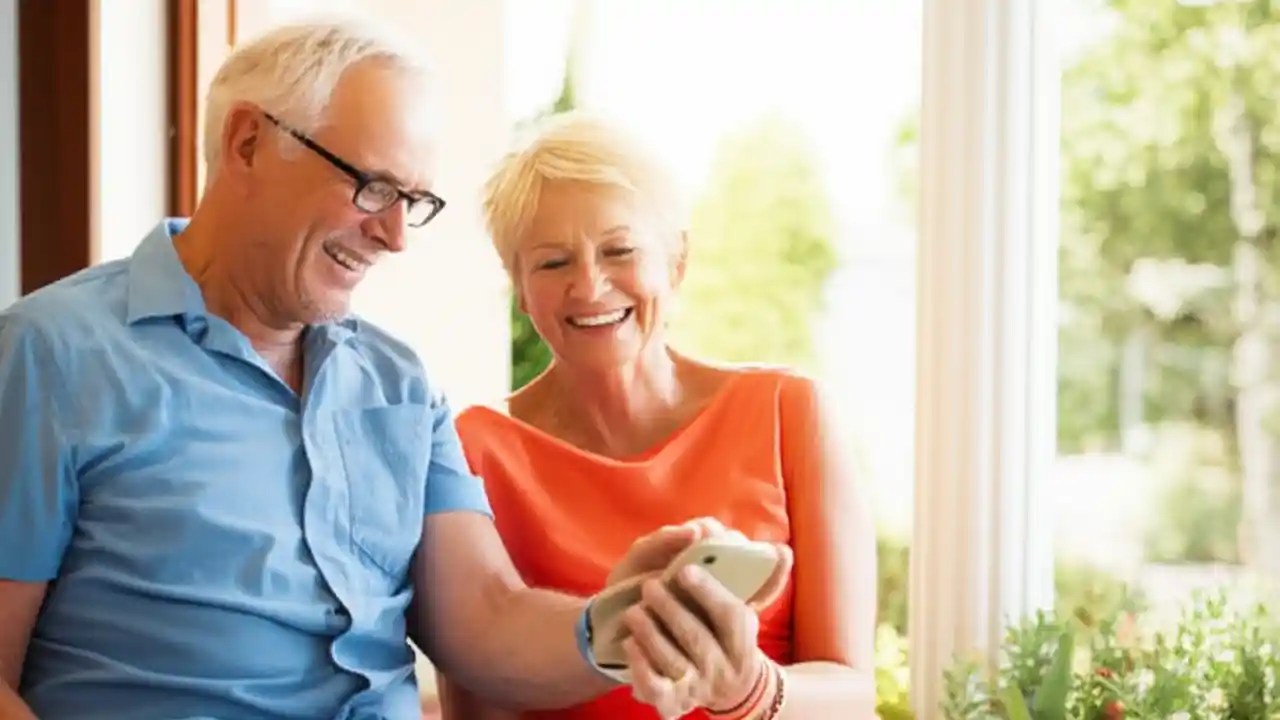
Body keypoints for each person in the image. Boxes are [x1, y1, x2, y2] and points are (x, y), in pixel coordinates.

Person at [0, 19, 786, 720]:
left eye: (412, 200)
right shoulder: (51, 354)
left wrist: (621, 613)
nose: (394, 236)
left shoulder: (399, 383)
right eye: (373, 187)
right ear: (247, 143)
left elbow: (486, 619)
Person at [436, 112, 879, 720]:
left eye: (619, 250)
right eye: (552, 262)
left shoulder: (790, 413)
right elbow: (479, 695)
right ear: (518, 285)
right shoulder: (472, 450)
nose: (590, 287)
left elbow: (852, 699)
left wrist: (747, 690)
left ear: (676, 263)